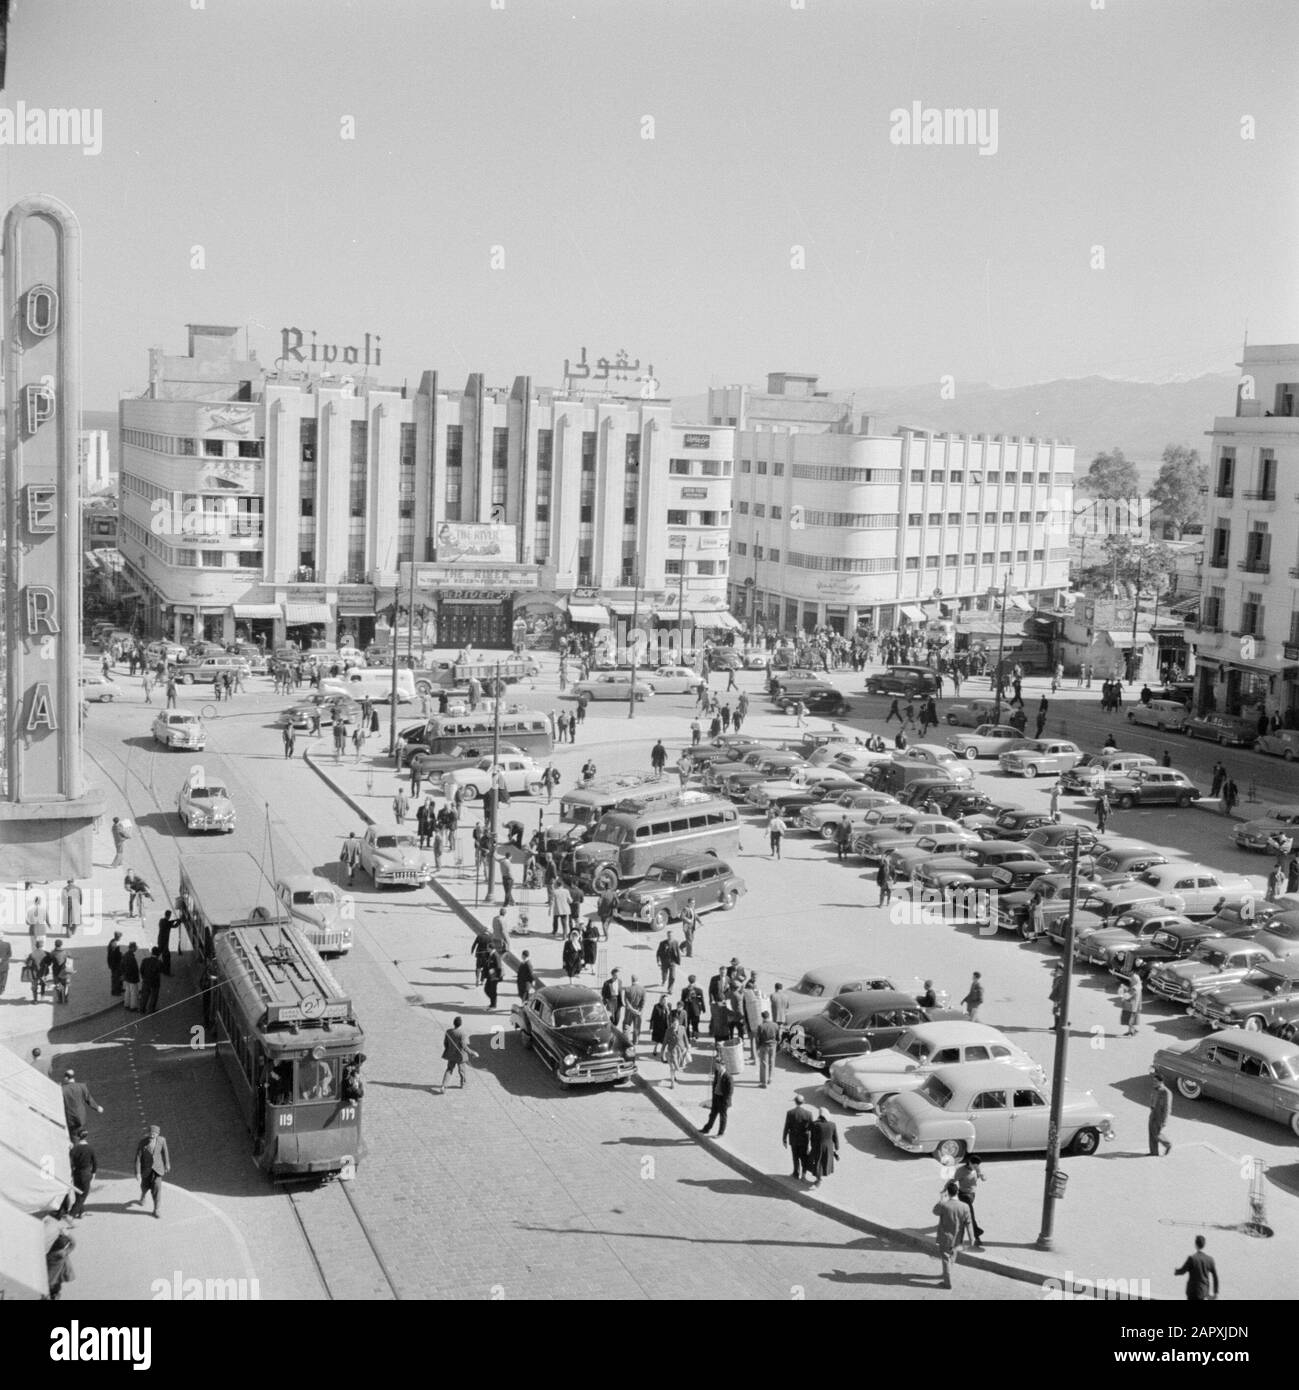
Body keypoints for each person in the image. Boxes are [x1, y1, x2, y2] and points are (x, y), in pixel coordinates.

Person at [933, 1179, 973, 1289]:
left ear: (947, 1193)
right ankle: (948, 1272)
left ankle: (947, 1282)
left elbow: (935, 1211)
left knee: (945, 1258)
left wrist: (941, 1199)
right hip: (958, 1237)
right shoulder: (965, 1206)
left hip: (945, 1237)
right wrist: (971, 1238)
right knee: (953, 1255)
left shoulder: (944, 1205)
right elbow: (969, 1223)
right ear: (957, 1192)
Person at [134, 1123, 171, 1217]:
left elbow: (165, 1152)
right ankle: (143, 1196)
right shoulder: (142, 1143)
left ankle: (156, 1209)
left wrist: (167, 1164)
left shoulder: (162, 1140)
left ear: (158, 1134)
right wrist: (138, 1172)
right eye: (150, 1133)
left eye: (154, 1133)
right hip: (146, 1170)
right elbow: (138, 1158)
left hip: (158, 1169)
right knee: (144, 1186)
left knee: (157, 1189)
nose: (152, 1135)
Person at [61, 1069, 105, 1138]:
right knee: (82, 1135)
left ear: (66, 1078)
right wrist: (97, 1108)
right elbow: (89, 1099)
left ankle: (77, 1146)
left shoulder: (62, 1089)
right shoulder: (82, 1086)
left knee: (74, 1137)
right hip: (81, 1117)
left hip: (70, 1120)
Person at [1175, 1235, 1220, 1301]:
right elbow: (1215, 1277)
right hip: (1204, 1292)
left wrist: (1176, 1271)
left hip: (1193, 1292)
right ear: (1204, 1245)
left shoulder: (1192, 1258)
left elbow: (1182, 1271)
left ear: (1195, 1244)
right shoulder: (1210, 1259)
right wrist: (1215, 1292)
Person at [953, 1155, 986, 1246]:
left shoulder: (976, 1167)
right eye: (974, 1165)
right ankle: (976, 1235)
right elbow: (952, 1181)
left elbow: (981, 1176)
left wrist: (983, 1177)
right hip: (963, 1195)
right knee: (970, 1215)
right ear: (969, 1162)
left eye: (977, 1166)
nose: (976, 1167)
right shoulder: (960, 1171)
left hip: (972, 1195)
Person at [782, 1093, 816, 1179]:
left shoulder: (790, 1113)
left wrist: (784, 1139)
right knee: (804, 1157)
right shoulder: (809, 1114)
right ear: (803, 1102)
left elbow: (786, 1127)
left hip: (793, 1139)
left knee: (795, 1157)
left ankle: (796, 1173)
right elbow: (812, 1129)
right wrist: (812, 1142)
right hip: (804, 1139)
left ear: (795, 1102)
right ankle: (803, 1175)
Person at [438, 1017, 477, 1091]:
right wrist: (472, 1053)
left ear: (454, 1023)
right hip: (460, 1056)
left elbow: (445, 1043)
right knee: (462, 1070)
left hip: (451, 1055)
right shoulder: (462, 1034)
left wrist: (448, 1050)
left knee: (449, 1070)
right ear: (461, 1024)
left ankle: (443, 1085)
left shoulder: (448, 1031)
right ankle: (463, 1084)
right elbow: (464, 1046)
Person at [698, 1057, 734, 1137]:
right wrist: (713, 1096)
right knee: (712, 1114)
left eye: (719, 1066)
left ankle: (721, 1133)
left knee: (722, 1117)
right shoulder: (717, 1073)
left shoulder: (728, 1077)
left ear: (723, 1066)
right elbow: (715, 1085)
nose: (717, 1067)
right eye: (716, 1066)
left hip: (723, 1100)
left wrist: (725, 1102)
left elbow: (730, 1092)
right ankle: (707, 1129)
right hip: (716, 1097)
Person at [67, 1130, 97, 1220]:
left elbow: (70, 1163)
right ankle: (71, 1215)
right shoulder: (90, 1148)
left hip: (76, 1173)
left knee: (78, 1193)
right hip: (86, 1173)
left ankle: (81, 1212)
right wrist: (94, 1172)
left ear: (78, 1137)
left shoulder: (74, 1149)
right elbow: (95, 1162)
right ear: (86, 1137)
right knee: (84, 1194)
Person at [807, 1108, 839, 1188]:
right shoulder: (832, 1124)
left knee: (818, 1163)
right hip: (828, 1147)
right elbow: (835, 1137)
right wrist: (836, 1148)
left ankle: (818, 1180)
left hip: (818, 1146)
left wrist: (811, 1145)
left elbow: (812, 1136)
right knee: (824, 1162)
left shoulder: (815, 1124)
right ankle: (819, 1179)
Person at [1149, 1072, 1173, 1156]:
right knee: (1151, 1133)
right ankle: (1153, 1152)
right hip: (1153, 1113)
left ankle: (1167, 1144)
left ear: (1161, 1082)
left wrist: (1164, 1121)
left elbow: (1167, 1108)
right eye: (1153, 1081)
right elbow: (1152, 1100)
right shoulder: (1155, 1089)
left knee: (1156, 1134)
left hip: (1160, 1116)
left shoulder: (1166, 1092)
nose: (1154, 1082)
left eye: (1156, 1081)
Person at [623, 975, 647, 1046]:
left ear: (631, 980)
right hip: (638, 1011)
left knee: (626, 1025)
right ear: (637, 980)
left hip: (629, 1011)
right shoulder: (643, 990)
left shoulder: (627, 989)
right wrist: (639, 1010)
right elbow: (643, 1001)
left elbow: (626, 1002)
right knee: (637, 1026)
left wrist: (632, 1009)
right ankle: (635, 1041)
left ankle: (626, 1040)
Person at [139, 946, 163, 1015]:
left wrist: (144, 977)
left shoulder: (145, 960)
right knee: (153, 996)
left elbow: (141, 970)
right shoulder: (159, 962)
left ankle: (142, 1009)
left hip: (146, 981)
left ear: (151, 952)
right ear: (158, 954)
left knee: (144, 996)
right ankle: (151, 1009)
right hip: (155, 983)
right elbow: (162, 970)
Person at [648, 993, 672, 1058]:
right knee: (657, 1040)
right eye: (664, 1000)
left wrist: (668, 1010)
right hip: (658, 1026)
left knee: (665, 1041)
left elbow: (670, 1016)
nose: (665, 1001)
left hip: (666, 1026)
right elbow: (652, 1017)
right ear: (661, 1000)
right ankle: (655, 1048)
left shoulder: (669, 1005)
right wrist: (651, 1027)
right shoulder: (656, 1006)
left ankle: (662, 1053)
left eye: (666, 1000)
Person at [1120, 973, 1142, 1037]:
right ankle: (1130, 1031)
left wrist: (1123, 995)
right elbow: (1130, 990)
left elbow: (1129, 994)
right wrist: (1125, 987)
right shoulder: (1138, 986)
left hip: (1132, 1007)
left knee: (1130, 1021)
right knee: (1131, 1020)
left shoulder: (1135, 988)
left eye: (1132, 979)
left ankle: (1134, 1031)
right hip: (1136, 1006)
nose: (1130, 980)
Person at [121, 943, 142, 1011]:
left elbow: (123, 966)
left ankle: (126, 1004)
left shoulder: (125, 955)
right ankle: (133, 1007)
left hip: (127, 977)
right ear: (132, 948)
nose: (136, 948)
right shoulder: (131, 957)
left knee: (127, 991)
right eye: (135, 947)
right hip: (132, 978)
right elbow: (132, 969)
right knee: (134, 992)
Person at [156, 910, 175, 976]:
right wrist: (179, 921)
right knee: (167, 957)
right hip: (164, 943)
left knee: (157, 955)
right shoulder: (167, 923)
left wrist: (174, 920)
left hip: (160, 940)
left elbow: (169, 923)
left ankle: (155, 967)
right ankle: (166, 972)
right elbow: (174, 926)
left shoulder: (161, 921)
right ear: (169, 915)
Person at [106, 931, 125, 996]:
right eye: (120, 937)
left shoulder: (112, 941)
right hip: (115, 964)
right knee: (116, 978)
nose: (120, 938)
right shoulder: (114, 943)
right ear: (118, 937)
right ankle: (116, 991)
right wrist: (121, 955)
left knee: (117, 977)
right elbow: (114, 955)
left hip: (113, 964)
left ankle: (119, 989)